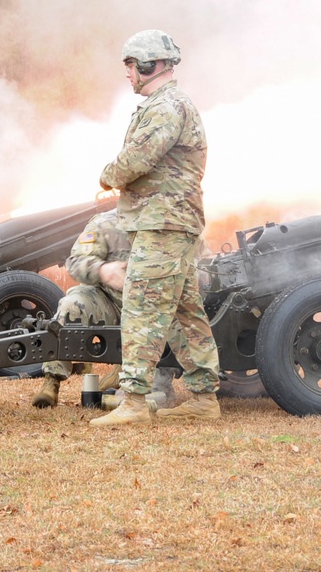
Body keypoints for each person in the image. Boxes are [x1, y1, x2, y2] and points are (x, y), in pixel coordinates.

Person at [90, 29, 221, 426]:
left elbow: (137, 159)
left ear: (151, 65)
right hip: (169, 223)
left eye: (131, 64)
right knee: (184, 312)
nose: (128, 72)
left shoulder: (167, 106)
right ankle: (204, 398)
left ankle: (133, 400)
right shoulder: (165, 104)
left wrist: (107, 175)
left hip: (163, 224)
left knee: (142, 308)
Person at [31, 208, 182, 408]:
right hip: (109, 301)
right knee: (71, 305)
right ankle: (52, 381)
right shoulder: (105, 223)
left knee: (182, 316)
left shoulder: (174, 221)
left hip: (153, 307)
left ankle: (143, 379)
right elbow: (76, 262)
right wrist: (101, 269)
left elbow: (200, 262)